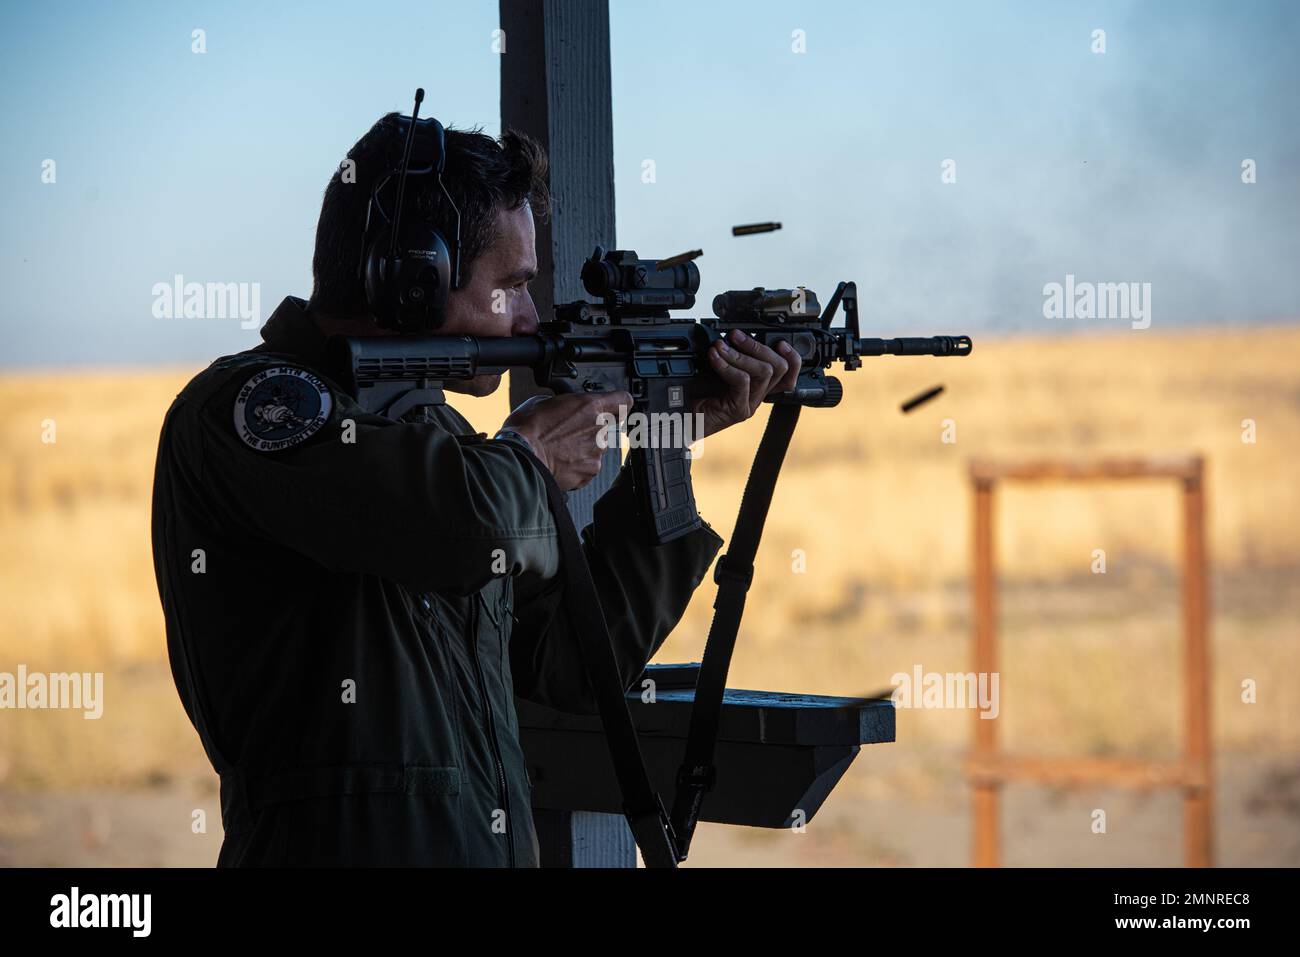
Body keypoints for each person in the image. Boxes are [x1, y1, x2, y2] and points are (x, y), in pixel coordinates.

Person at [150, 111, 800, 866]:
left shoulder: (440, 439)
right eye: (512, 285)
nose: (528, 314)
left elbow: (566, 669)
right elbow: (464, 524)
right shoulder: (256, 408)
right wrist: (528, 454)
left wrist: (670, 439)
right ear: (414, 278)